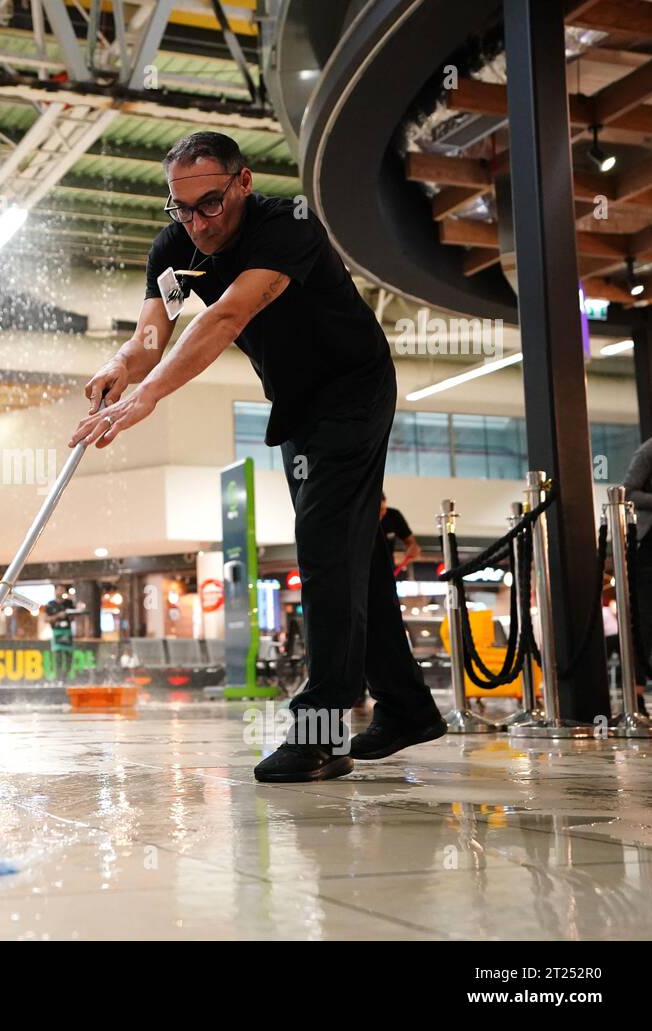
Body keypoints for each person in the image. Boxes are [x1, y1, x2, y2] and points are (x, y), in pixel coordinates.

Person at [70, 131, 443, 783]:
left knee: (325, 537)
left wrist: (150, 397)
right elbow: (149, 338)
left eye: (210, 204)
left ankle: (322, 730)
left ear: (242, 183)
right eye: (181, 209)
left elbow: (225, 319)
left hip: (353, 385)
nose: (197, 224)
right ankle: (407, 706)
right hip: (298, 402)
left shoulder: (287, 227)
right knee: (351, 546)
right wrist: (119, 371)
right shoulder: (177, 249)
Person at [623, 437, 652, 678]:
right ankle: (637, 691)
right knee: (644, 619)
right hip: (648, 546)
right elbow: (628, 492)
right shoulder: (648, 450)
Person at [380, 492, 421, 575]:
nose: (381, 513)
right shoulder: (358, 519)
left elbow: (411, 543)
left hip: (388, 571)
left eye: (383, 509)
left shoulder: (393, 516)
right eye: (377, 510)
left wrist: (412, 548)